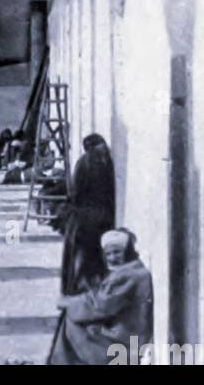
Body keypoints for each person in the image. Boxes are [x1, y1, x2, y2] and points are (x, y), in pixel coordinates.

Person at [49, 229, 153, 366]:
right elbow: (100, 297)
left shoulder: (128, 275)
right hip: (127, 334)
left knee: (71, 321)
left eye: (117, 252)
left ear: (127, 252)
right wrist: (72, 301)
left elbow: (101, 306)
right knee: (74, 316)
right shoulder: (131, 270)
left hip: (124, 342)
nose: (112, 258)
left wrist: (68, 303)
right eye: (108, 254)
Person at [61, 133, 116, 295]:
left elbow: (75, 193)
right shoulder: (108, 162)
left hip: (83, 218)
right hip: (103, 218)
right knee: (96, 261)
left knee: (80, 261)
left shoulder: (84, 162)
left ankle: (76, 294)